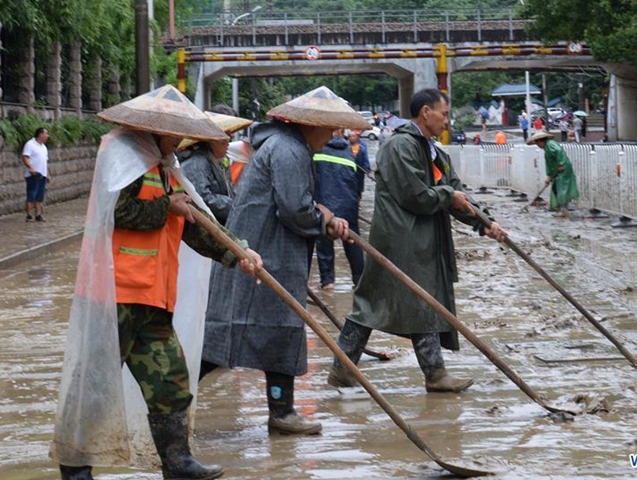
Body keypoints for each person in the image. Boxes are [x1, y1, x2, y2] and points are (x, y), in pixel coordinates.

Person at [50, 85, 262, 480]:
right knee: (95, 385)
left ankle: (177, 462)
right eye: (177, 133)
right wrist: (168, 206)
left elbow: (196, 224)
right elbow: (120, 212)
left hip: (155, 295)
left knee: (171, 379)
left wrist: (238, 253)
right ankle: (75, 469)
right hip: (116, 295)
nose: (182, 141)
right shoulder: (122, 157)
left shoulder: (166, 165)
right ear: (159, 129)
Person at [201, 86, 362, 436]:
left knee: (279, 336)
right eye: (332, 127)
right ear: (313, 124)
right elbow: (293, 209)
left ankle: (282, 411)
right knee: (222, 343)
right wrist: (322, 221)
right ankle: (169, 405)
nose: (335, 134)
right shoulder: (289, 150)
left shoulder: (290, 147)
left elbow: (298, 202)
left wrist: (322, 214)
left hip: (276, 255)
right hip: (263, 257)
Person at [327, 88, 507, 394]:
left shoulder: (435, 151)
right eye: (444, 114)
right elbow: (415, 196)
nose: (447, 121)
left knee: (419, 302)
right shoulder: (399, 146)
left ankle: (432, 373)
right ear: (426, 112)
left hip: (425, 242)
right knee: (373, 303)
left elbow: (454, 194)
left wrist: (484, 221)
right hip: (398, 242)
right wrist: (451, 196)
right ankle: (344, 368)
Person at [314, 129, 367, 288]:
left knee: (324, 244)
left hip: (324, 204)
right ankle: (360, 282)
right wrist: (356, 198)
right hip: (349, 205)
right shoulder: (349, 151)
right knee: (352, 241)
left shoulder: (317, 149)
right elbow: (358, 180)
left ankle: (327, 282)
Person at [178, 112, 252, 224]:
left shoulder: (217, 160)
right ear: (211, 140)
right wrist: (232, 205)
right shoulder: (197, 162)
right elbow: (200, 197)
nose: (229, 140)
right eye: (224, 136)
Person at [527, 131, 579, 219]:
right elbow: (550, 164)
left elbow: (559, 151)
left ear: (541, 141)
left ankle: (563, 209)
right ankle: (560, 208)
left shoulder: (550, 144)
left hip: (563, 169)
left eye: (537, 143)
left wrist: (561, 163)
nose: (538, 146)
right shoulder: (546, 148)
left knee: (562, 189)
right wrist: (549, 176)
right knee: (556, 188)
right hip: (557, 170)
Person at [22, 127, 50, 222]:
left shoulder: (44, 147)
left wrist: (48, 174)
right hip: (32, 174)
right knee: (31, 194)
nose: (47, 136)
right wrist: (31, 168)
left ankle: (38, 214)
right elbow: (25, 157)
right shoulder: (30, 144)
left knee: (40, 196)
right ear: (40, 134)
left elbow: (45, 162)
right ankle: (29, 215)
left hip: (42, 174)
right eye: (46, 133)